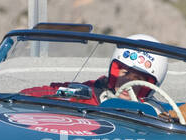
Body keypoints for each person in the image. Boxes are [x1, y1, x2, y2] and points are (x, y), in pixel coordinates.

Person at [20, 34, 169, 104]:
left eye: (138, 79)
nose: (127, 83)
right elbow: (50, 92)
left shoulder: (155, 113)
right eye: (125, 73)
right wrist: (14, 99)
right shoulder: (87, 93)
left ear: (149, 86)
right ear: (114, 71)